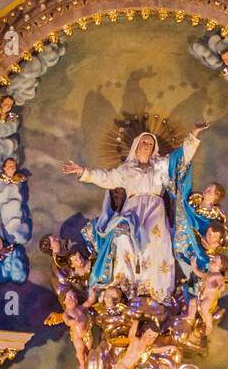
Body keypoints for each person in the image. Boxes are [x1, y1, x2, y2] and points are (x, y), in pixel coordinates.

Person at [61, 123, 209, 302]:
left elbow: (181, 158)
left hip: (155, 208)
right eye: (143, 142)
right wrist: (83, 171)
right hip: (132, 210)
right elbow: (106, 178)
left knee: (157, 244)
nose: (147, 146)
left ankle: (157, 292)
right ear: (136, 145)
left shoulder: (161, 166)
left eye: (150, 143)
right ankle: (127, 288)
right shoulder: (126, 169)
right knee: (124, 240)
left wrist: (194, 133)